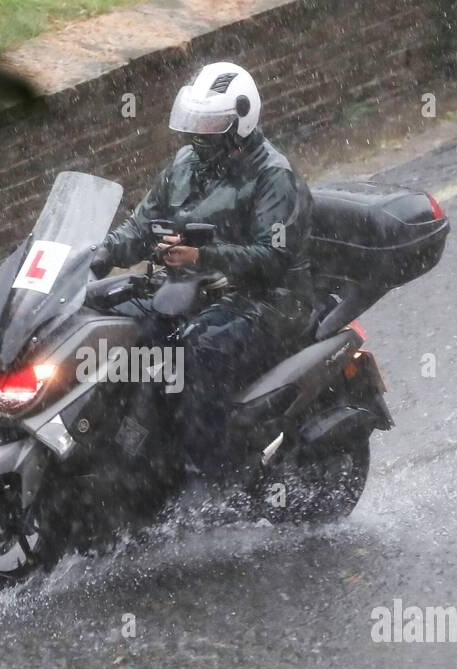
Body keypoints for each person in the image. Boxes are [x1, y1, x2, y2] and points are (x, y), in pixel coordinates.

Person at [89, 62, 316, 476]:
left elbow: (272, 258)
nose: (198, 136)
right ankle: (125, 447)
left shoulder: (274, 178)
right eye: (195, 124)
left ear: (240, 123)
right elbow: (142, 223)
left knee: (198, 350)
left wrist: (202, 257)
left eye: (210, 126)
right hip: (192, 289)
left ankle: (213, 467)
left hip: (269, 300)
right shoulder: (185, 164)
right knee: (109, 326)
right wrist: (102, 253)